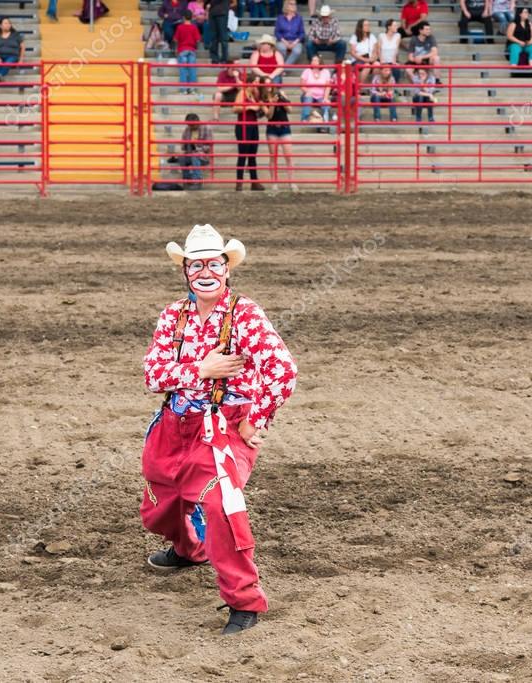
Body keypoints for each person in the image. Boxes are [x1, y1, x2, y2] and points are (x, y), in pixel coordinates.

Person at [142, 223, 297, 636]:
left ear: (227, 268)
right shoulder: (173, 314)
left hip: (222, 426)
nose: (205, 272)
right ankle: (190, 550)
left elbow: (283, 372)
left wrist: (256, 419)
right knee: (161, 503)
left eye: (213, 263)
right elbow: (152, 376)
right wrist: (202, 369)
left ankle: (243, 600)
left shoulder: (245, 314)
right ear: (185, 271)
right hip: (173, 424)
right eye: (196, 265)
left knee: (220, 503)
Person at [233, 76, 266, 190]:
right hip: (243, 125)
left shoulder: (254, 95)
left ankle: (254, 181)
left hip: (253, 125)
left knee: (252, 154)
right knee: (243, 154)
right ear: (249, 83)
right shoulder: (242, 93)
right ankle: (239, 182)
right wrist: (249, 107)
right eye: (255, 81)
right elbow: (235, 108)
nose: (257, 83)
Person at [262, 81, 296, 190]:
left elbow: (290, 110)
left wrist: (282, 101)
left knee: (288, 156)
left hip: (284, 127)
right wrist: (272, 104)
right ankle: (274, 183)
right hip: (272, 128)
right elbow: (269, 115)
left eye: (269, 84)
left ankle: (292, 182)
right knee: (273, 157)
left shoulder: (281, 93)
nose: (268, 86)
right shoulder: (263, 99)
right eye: (265, 84)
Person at [0, 17, 24, 82]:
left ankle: (0, 75)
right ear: (0, 25)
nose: (8, 25)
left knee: (8, 62)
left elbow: (23, 47)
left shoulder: (15, 34)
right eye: (6, 23)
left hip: (12, 55)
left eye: (9, 23)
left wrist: (21, 60)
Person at [180, 113, 212, 188]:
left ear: (198, 121)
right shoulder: (187, 129)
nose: (190, 127)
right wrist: (186, 145)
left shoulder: (207, 128)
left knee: (195, 155)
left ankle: (197, 182)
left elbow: (208, 147)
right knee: (181, 157)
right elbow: (182, 146)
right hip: (189, 152)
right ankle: (187, 180)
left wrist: (196, 147)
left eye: (192, 125)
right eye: (188, 125)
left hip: (202, 155)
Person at [299, 54, 332, 124]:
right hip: (308, 95)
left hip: (321, 96)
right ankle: (304, 118)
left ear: (320, 62)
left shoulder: (326, 72)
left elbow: (328, 86)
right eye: (312, 60)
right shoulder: (307, 71)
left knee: (326, 104)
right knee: (308, 97)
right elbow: (302, 85)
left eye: (315, 60)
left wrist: (325, 98)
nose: (313, 62)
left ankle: (326, 121)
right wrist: (307, 91)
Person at [176, 11, 201, 94]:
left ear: (184, 17)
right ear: (192, 17)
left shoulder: (180, 27)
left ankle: (183, 90)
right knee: (192, 69)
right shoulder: (194, 27)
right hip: (192, 50)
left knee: (183, 69)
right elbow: (198, 39)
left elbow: (176, 39)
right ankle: (192, 89)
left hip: (182, 50)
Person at [274, 0, 305, 64]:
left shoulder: (299, 18)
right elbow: (277, 32)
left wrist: (294, 42)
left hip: (295, 41)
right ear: (286, 5)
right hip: (283, 40)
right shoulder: (280, 18)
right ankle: (282, 67)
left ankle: (283, 68)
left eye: (295, 4)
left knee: (297, 51)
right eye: (291, 4)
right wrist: (285, 42)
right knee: (282, 48)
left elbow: (302, 33)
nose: (294, 6)